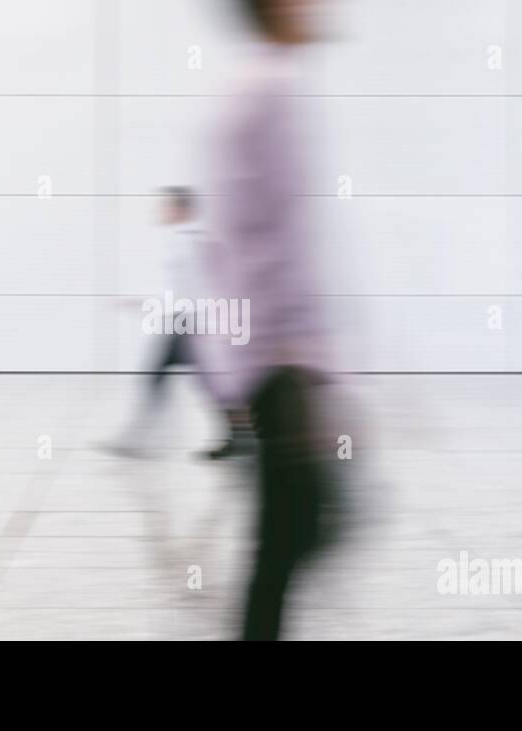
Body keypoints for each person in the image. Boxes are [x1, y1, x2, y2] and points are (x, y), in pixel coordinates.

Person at [208, 0, 337, 640]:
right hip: (277, 353)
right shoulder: (273, 90)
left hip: (263, 351)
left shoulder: (250, 89)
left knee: (288, 531)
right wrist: (303, 354)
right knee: (303, 525)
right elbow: (283, 242)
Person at [108, 188, 252, 459]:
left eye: (165, 206)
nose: (160, 211)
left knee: (168, 376)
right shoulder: (195, 239)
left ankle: (139, 436)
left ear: (180, 209)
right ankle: (240, 437)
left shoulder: (187, 242)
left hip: (191, 321)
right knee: (204, 381)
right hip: (193, 320)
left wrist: (140, 301)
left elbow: (188, 290)